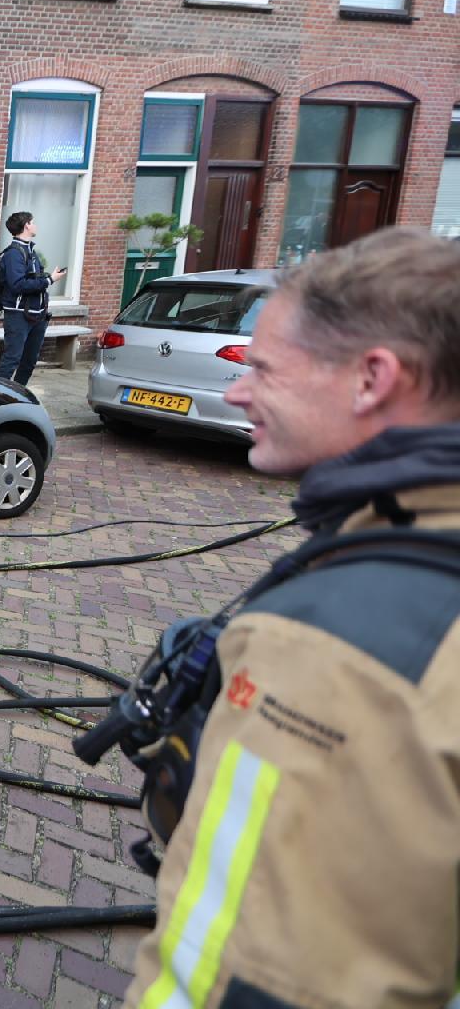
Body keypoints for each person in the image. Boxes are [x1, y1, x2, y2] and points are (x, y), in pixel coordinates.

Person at [123, 227, 460, 1007]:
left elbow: (263, 970)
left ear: (372, 378)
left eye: (264, 368)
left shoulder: (329, 649)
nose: (238, 390)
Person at [0, 211, 65, 387]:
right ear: (26, 225)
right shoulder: (13, 254)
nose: (35, 225)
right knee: (12, 359)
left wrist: (49, 276)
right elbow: (17, 285)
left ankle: (18, 393)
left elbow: (32, 279)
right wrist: (49, 280)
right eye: (33, 222)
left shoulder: (30, 250)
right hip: (18, 315)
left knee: (29, 361)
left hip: (37, 314)